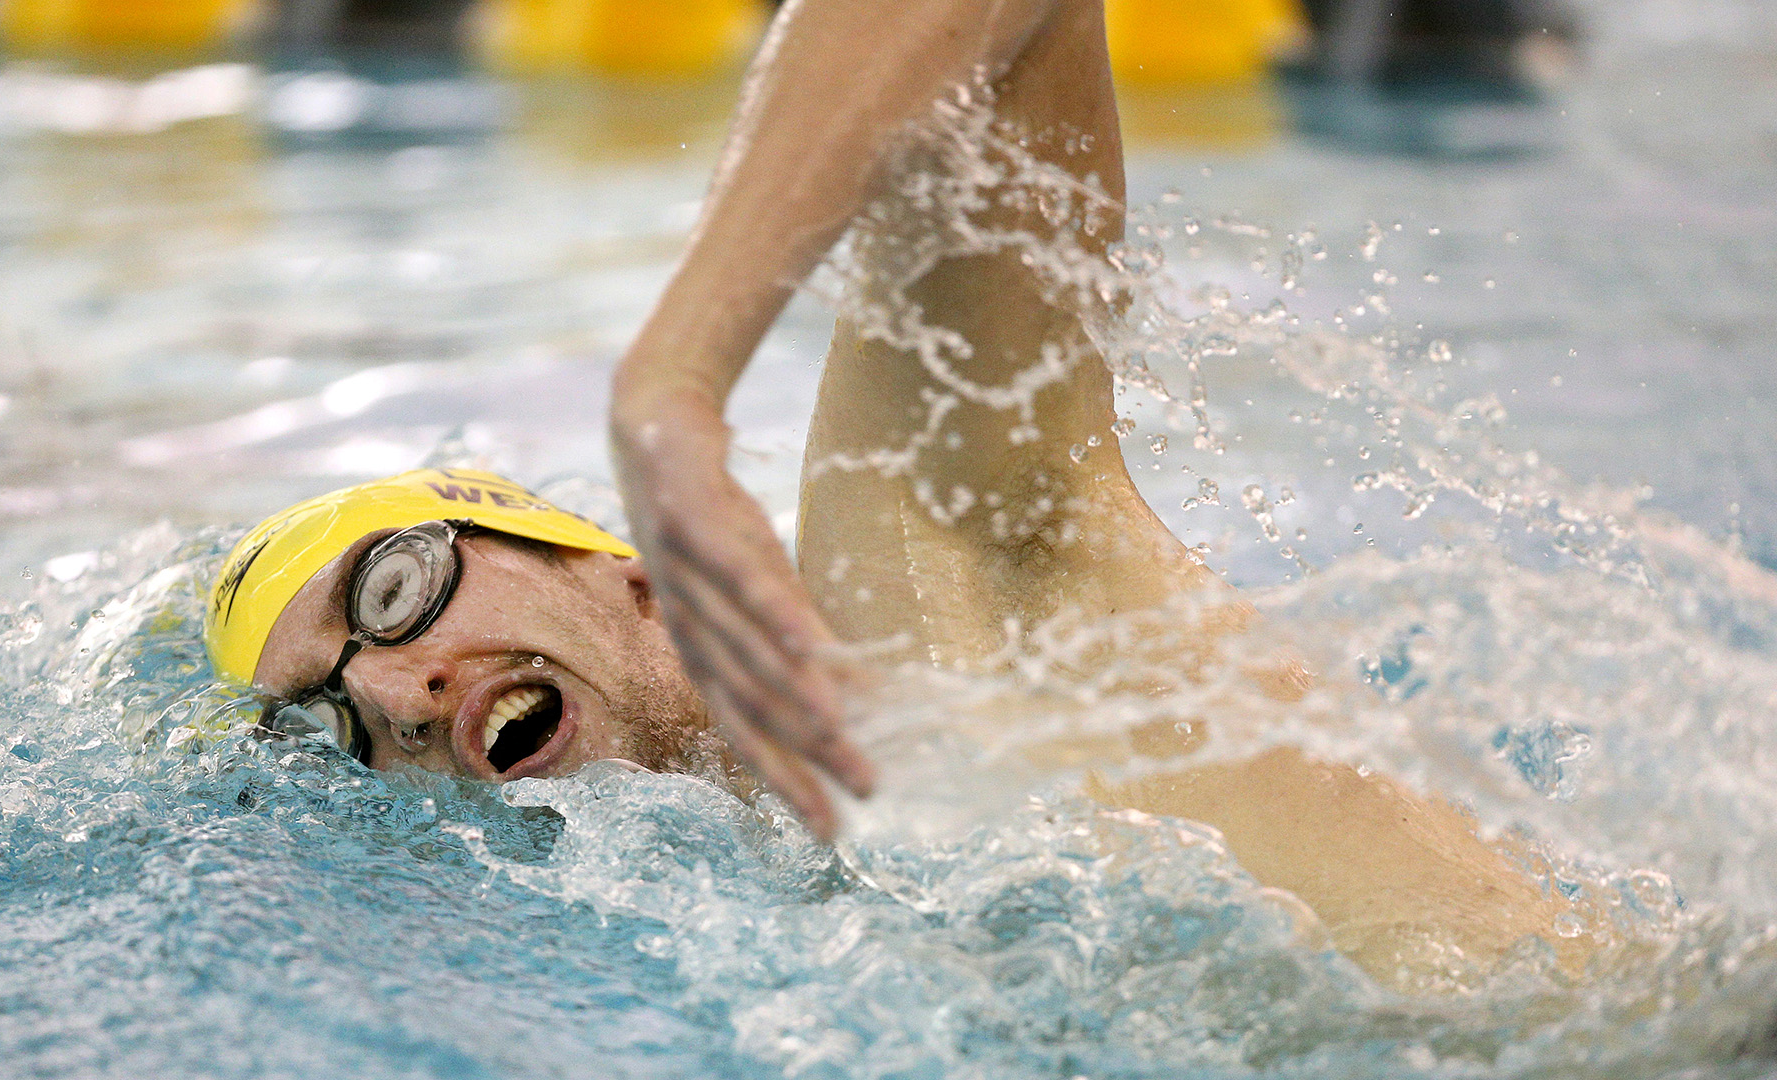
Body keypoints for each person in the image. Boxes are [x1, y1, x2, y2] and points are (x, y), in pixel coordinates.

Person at [208, 0, 1592, 989]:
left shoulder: (927, 591)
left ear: (603, 559)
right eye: (334, 726)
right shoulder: (755, 922)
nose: (392, 694)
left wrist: (673, 385)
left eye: (392, 594)